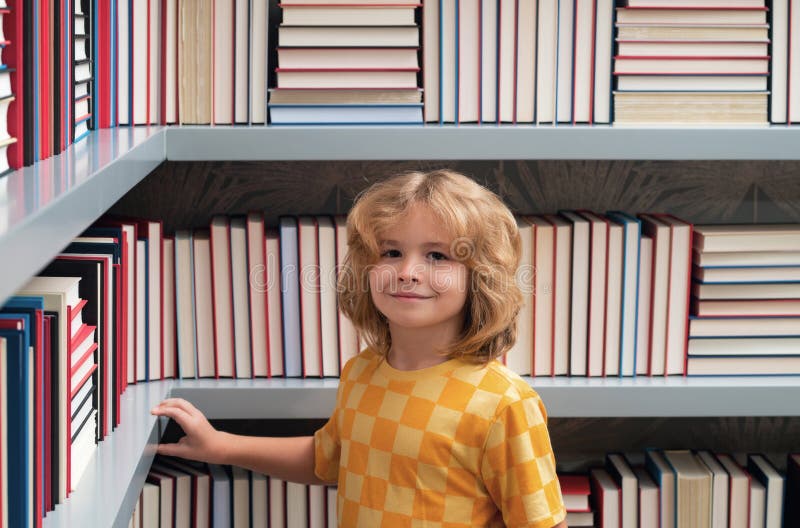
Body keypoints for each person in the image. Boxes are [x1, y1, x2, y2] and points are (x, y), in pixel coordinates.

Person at [152, 169, 568, 527]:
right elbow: (329, 456)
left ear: (483, 277)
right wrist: (220, 445)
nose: (407, 272)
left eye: (438, 256)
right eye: (391, 252)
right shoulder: (362, 372)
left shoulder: (504, 404)